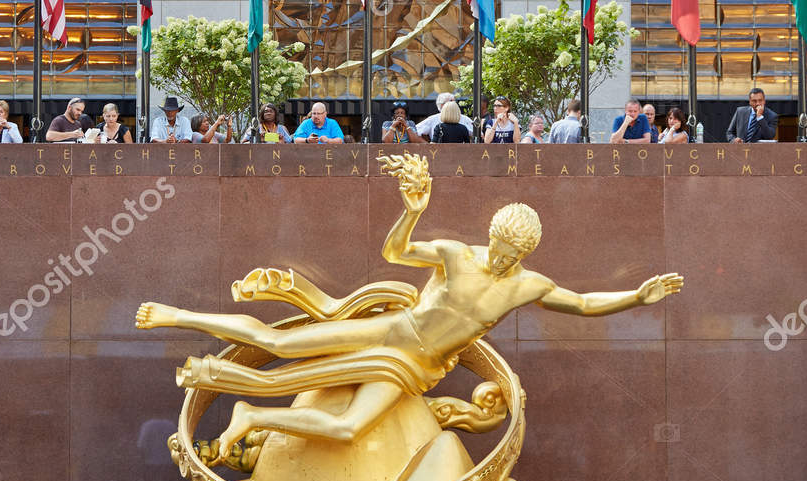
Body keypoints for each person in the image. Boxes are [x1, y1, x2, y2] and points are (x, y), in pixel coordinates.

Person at [135, 153, 683, 462]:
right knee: (278, 343)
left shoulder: (527, 285)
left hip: (414, 369)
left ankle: (252, 414)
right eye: (497, 247)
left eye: (511, 254)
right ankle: (178, 315)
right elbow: (395, 252)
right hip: (391, 331)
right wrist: (411, 211)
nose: (499, 258)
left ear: (525, 254)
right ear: (490, 236)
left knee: (350, 429)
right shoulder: (455, 254)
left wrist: (637, 296)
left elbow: (584, 303)